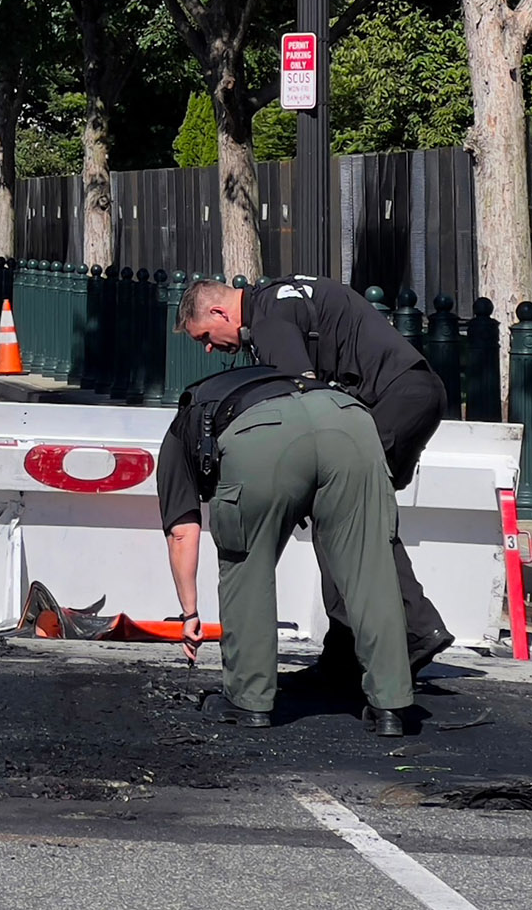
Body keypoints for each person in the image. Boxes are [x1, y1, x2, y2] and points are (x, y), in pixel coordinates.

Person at [178, 276, 454, 689]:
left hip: (395, 397)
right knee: (348, 517)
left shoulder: (268, 321)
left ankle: (414, 630)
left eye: (204, 335)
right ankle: (348, 652)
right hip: (411, 391)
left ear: (220, 312)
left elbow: (299, 402)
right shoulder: (277, 298)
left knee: (345, 515)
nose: (208, 347)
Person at [158, 364, 415, 736]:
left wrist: (189, 613)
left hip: (260, 435)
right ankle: (391, 703)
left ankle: (249, 699)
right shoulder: (262, 383)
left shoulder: (181, 429)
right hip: (348, 420)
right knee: (369, 567)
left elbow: (182, 533)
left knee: (246, 565)